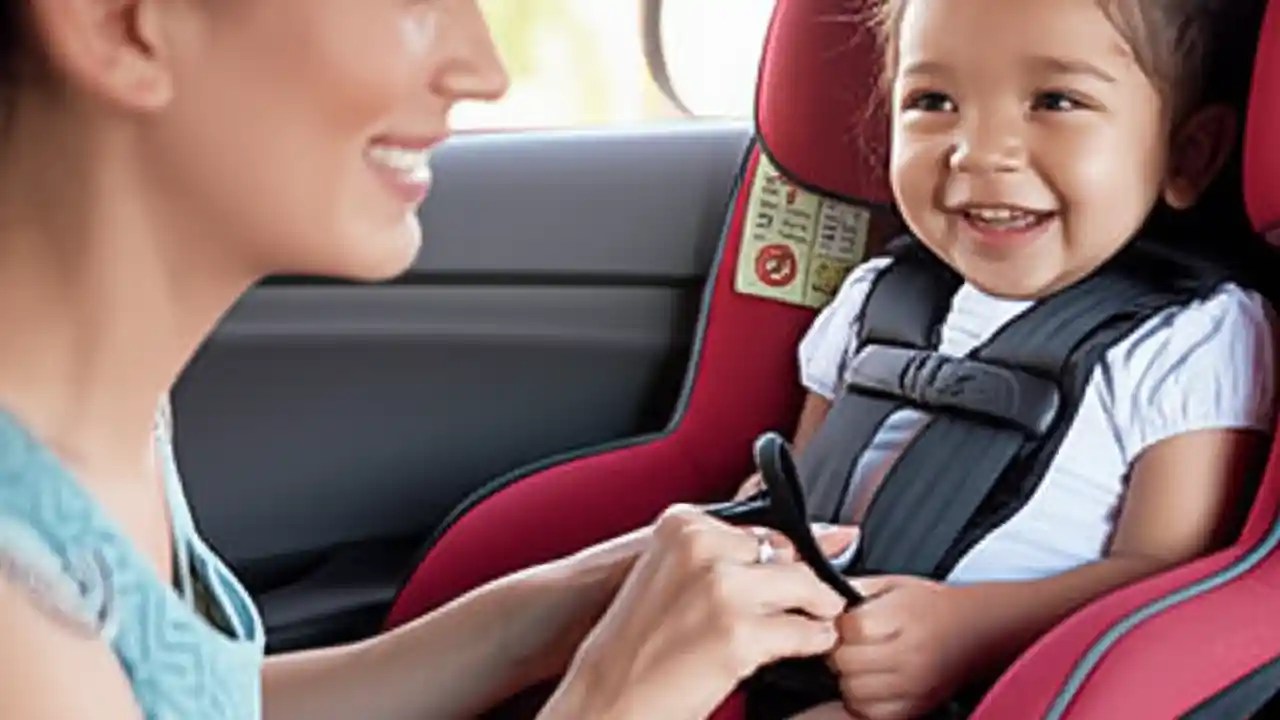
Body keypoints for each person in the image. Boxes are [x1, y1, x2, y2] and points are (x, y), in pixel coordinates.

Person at [0, 1, 862, 719]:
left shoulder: (110, 419)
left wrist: (539, 617)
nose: (483, 70)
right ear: (121, 24)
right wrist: (613, 697)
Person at [732, 0, 1277, 717]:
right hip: (793, 651)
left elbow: (1169, 578)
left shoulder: (1191, 338)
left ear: (1187, 154)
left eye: (1055, 101)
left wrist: (968, 631)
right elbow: (804, 478)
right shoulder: (875, 298)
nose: (979, 151)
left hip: (990, 689)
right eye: (933, 101)